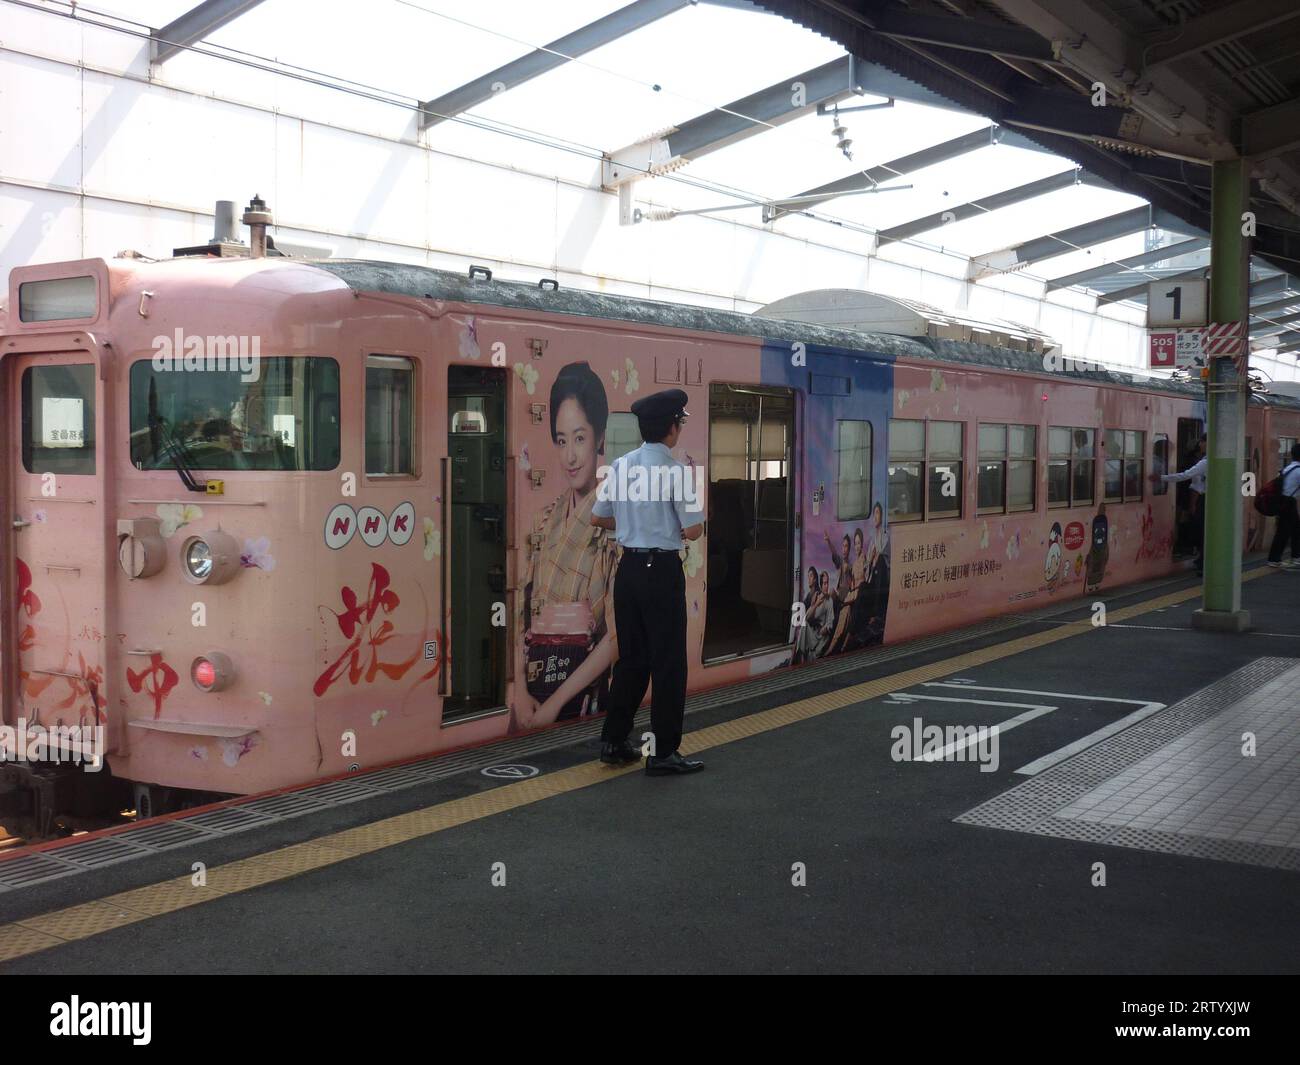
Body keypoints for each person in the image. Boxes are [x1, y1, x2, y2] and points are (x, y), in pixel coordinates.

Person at [591, 388, 705, 775]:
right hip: (662, 574)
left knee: (633, 661)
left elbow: (598, 517)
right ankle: (664, 753)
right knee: (669, 663)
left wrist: (630, 524)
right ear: (672, 428)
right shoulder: (676, 472)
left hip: (628, 573)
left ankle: (614, 740)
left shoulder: (620, 466)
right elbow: (692, 530)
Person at [515, 363, 618, 729]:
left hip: (580, 697)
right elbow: (520, 612)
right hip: (532, 687)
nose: (570, 456)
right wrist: (518, 692)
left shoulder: (614, 525)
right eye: (561, 440)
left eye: (580, 438)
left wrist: (555, 705)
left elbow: (615, 639)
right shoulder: (543, 520)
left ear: (600, 437)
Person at [1158, 435, 1208, 576]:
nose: (1200, 444)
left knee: (1201, 531)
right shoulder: (1213, 461)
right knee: (1203, 532)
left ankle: (1203, 563)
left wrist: (1161, 478)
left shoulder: (1205, 462)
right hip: (1208, 500)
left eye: (1202, 442)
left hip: (1203, 500)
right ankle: (1202, 562)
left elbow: (1186, 476)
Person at [1267, 442, 1300, 569]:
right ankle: (1274, 559)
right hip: (1288, 502)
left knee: (1295, 529)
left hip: (1283, 501)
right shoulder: (1298, 471)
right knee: (1283, 531)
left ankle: (1295, 556)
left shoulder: (1288, 468)